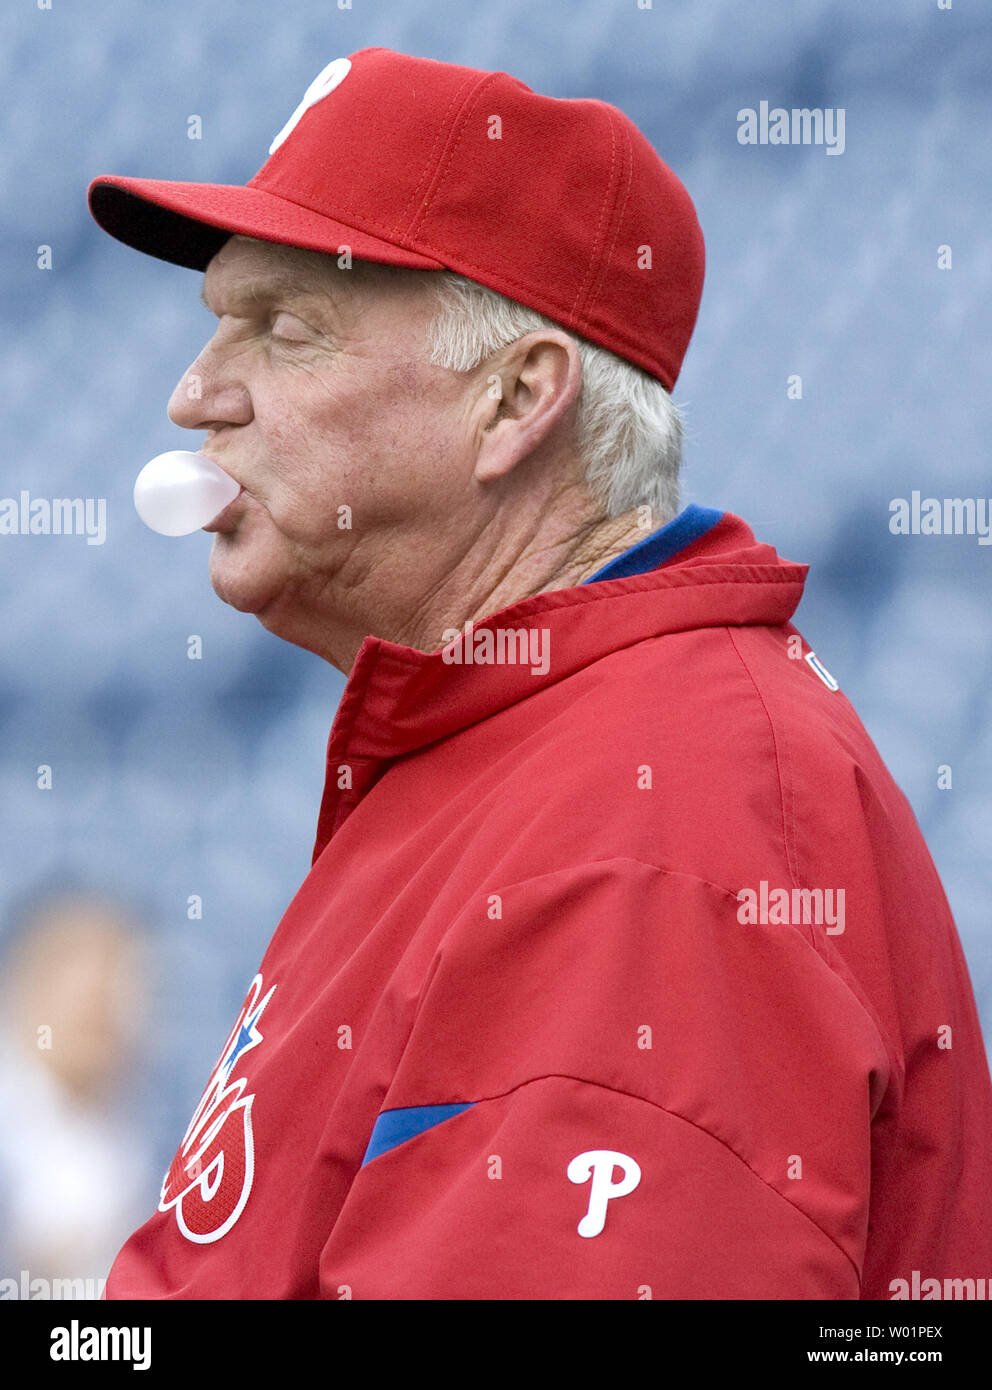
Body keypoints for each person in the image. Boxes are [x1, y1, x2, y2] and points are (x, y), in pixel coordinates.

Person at [87, 47, 992, 1300]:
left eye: (284, 329)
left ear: (516, 398)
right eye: (216, 326)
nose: (195, 396)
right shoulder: (522, 749)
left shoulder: (646, 823)